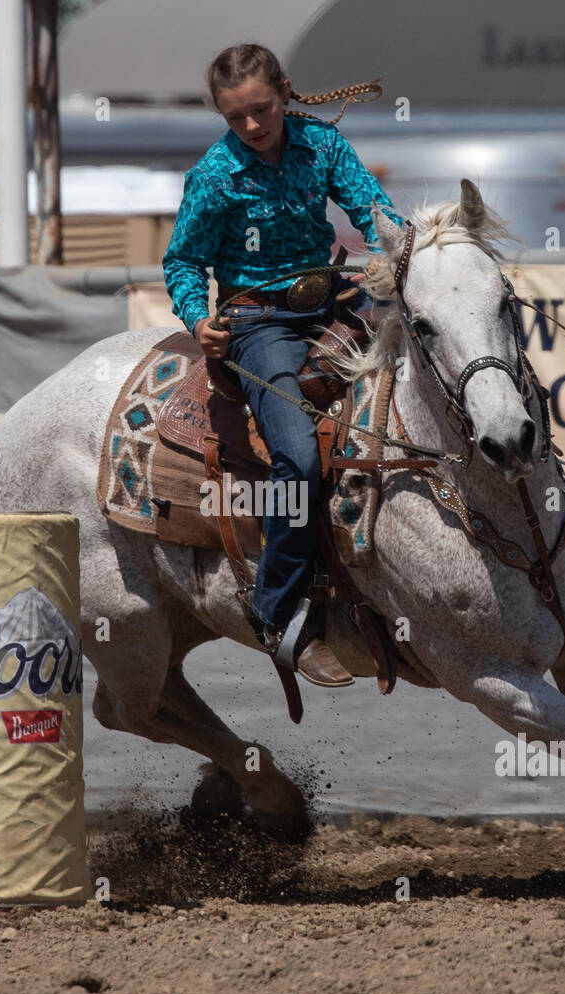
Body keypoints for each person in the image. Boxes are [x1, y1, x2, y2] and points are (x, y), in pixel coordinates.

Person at [162, 42, 403, 688]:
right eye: (235, 118)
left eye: (261, 110)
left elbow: (373, 210)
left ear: (286, 92)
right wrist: (199, 319)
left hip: (332, 299)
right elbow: (183, 261)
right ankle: (280, 614)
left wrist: (395, 251)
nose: (251, 126)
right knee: (295, 456)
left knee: (420, 373)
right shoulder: (214, 176)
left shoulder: (323, 148)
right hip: (257, 323)